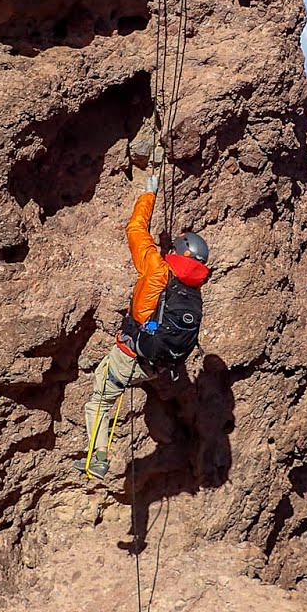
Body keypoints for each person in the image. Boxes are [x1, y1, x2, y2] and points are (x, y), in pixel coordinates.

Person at [82, 173, 210, 481]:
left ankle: (96, 458)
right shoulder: (193, 288)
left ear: (176, 252)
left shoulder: (156, 267)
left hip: (130, 352)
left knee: (101, 398)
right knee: (119, 384)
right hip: (158, 365)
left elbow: (136, 230)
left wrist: (148, 194)